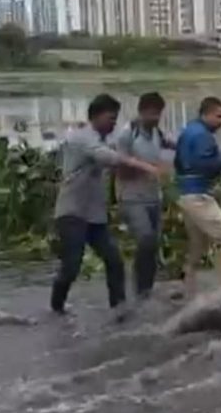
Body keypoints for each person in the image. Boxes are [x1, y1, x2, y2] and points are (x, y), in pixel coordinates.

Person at [51, 94, 162, 316]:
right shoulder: (82, 138)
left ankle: (119, 309)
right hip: (72, 213)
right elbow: (110, 157)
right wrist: (147, 167)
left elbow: (122, 147)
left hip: (94, 216)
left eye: (116, 119)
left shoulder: (105, 139)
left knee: (114, 260)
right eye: (111, 118)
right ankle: (56, 309)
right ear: (96, 116)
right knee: (72, 266)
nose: (114, 123)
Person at [175, 96, 221, 296]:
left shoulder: (189, 130)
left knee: (198, 245)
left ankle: (189, 288)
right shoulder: (203, 136)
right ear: (205, 114)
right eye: (218, 117)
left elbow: (181, 162)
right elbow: (208, 165)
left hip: (186, 194)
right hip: (199, 197)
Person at [115, 92, 174, 299]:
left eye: (158, 114)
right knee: (146, 240)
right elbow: (118, 162)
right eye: (150, 114)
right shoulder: (127, 133)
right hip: (131, 198)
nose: (154, 118)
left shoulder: (157, 132)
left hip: (153, 197)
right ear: (141, 112)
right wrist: (146, 168)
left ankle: (146, 290)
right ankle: (138, 288)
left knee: (153, 246)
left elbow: (172, 145)